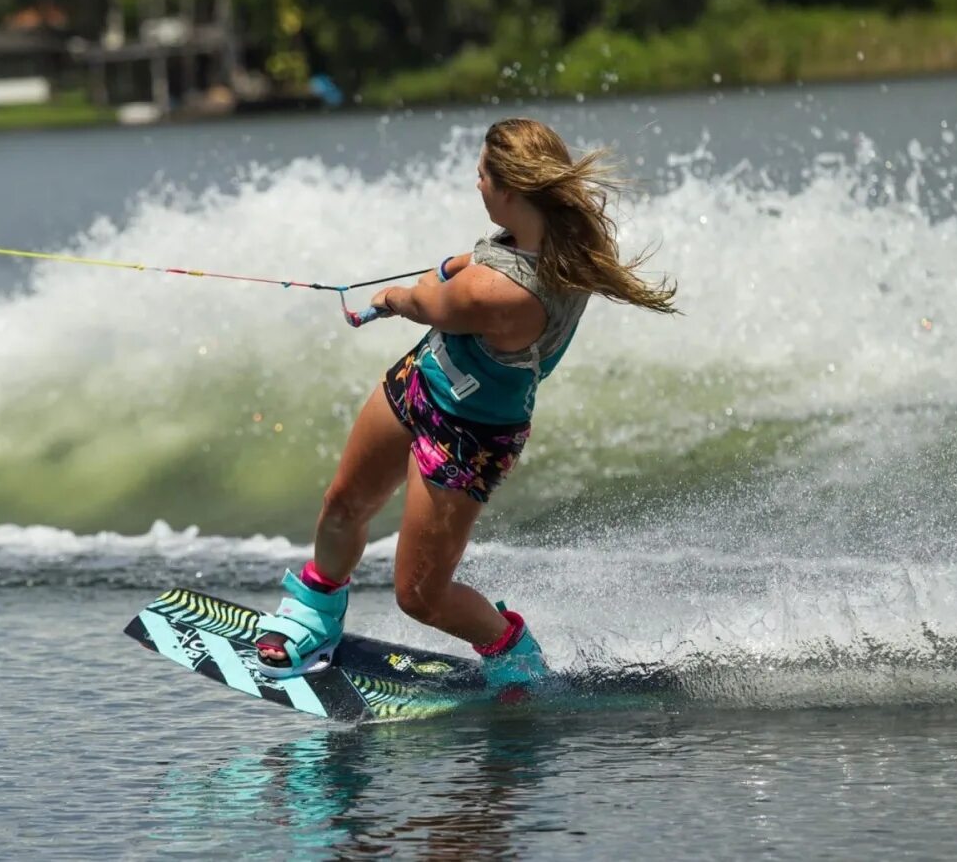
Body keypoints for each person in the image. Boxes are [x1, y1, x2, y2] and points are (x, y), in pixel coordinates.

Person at [256, 117, 678, 689]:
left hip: (470, 434)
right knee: (343, 502)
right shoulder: (551, 235)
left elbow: (429, 303)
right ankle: (315, 610)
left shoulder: (501, 292)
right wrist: (452, 266)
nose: (475, 183)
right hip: (421, 380)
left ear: (508, 189)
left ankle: (515, 655)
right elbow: (471, 264)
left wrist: (390, 297)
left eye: (481, 174)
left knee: (421, 595)